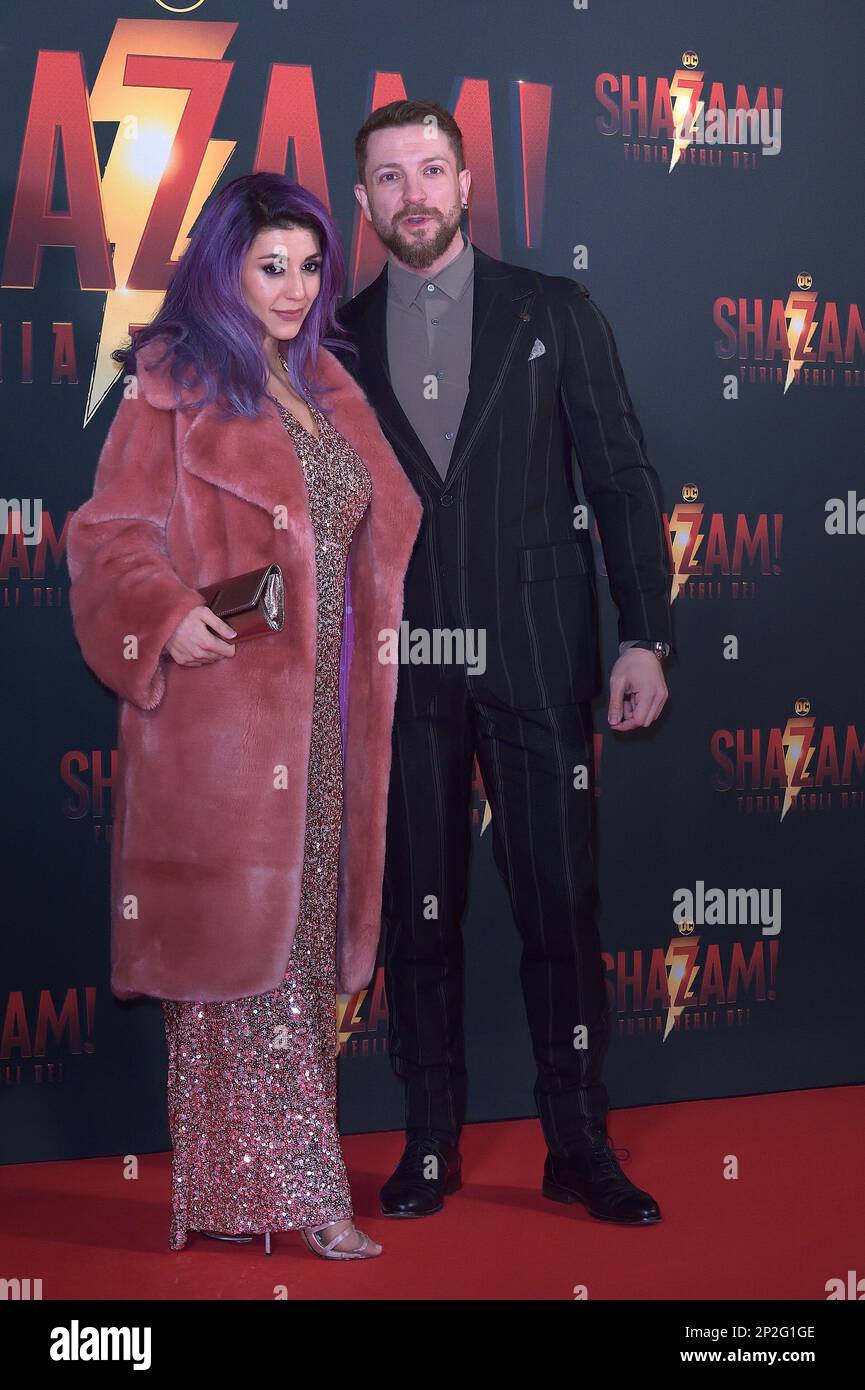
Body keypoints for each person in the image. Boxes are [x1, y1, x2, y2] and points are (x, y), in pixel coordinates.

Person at [66, 173, 422, 1259]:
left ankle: (255, 1189)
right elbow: (107, 536)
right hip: (224, 724)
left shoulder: (326, 388)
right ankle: (299, 1195)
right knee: (238, 970)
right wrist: (165, 614)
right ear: (223, 264)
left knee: (303, 959)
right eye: (272, 264)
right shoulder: (170, 383)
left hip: (328, 726)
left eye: (310, 266)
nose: (295, 286)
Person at [335, 101, 674, 1224]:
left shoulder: (555, 310)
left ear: (468, 185)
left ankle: (578, 1141)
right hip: (405, 671)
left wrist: (643, 633)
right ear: (365, 201)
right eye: (388, 178)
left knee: (559, 909)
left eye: (430, 169)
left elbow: (620, 480)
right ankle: (429, 1141)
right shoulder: (333, 339)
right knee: (420, 918)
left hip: (537, 653)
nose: (412, 193)